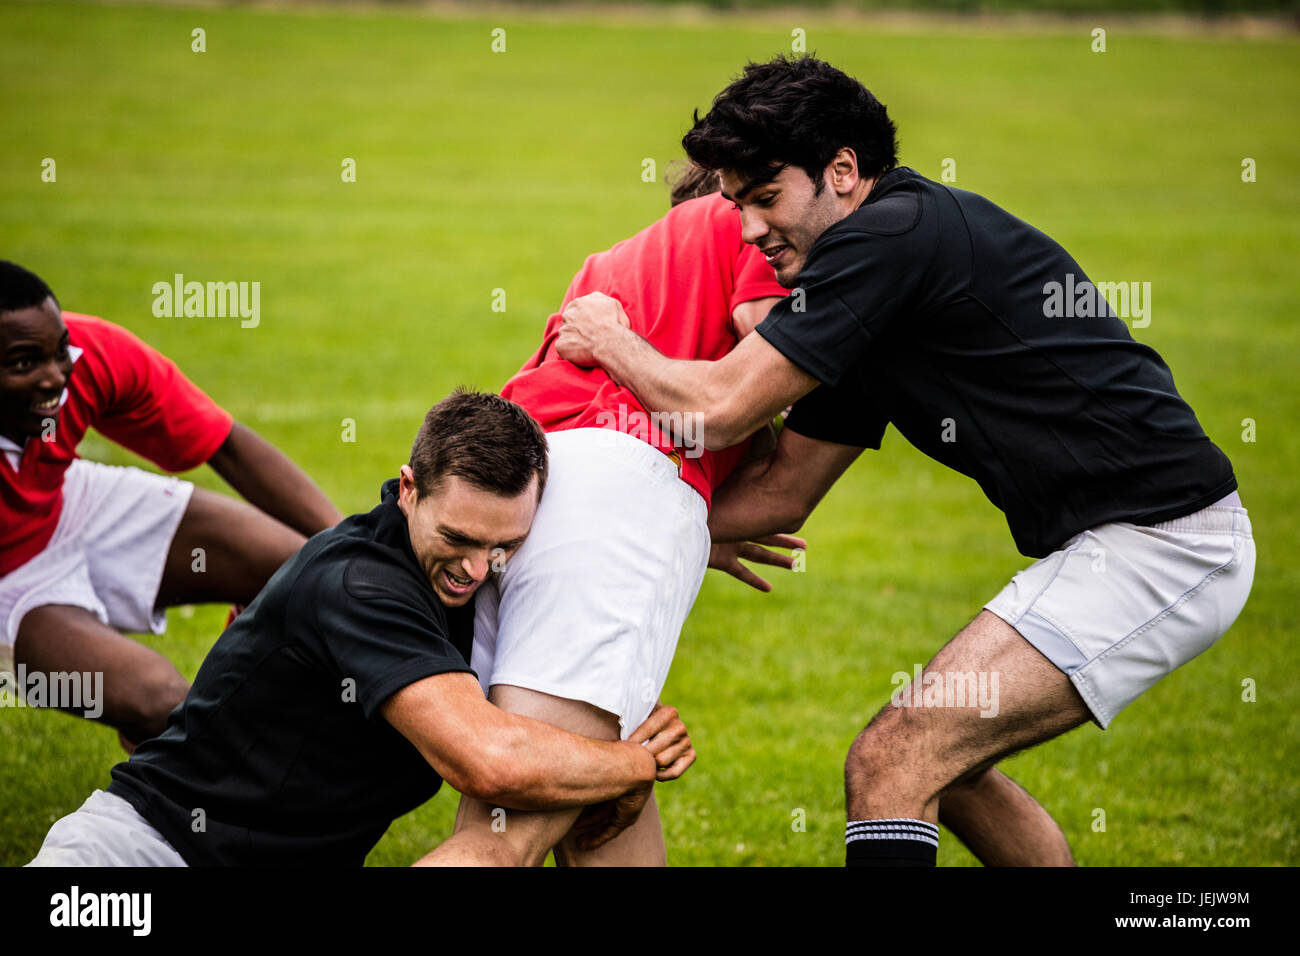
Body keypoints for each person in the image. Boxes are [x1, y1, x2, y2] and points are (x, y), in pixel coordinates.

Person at [555, 55, 1255, 867]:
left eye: (765, 198)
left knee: (893, 762)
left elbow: (720, 409)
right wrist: (656, 530)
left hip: (1166, 544)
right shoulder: (863, 294)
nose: (746, 229)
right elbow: (779, 495)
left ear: (844, 172)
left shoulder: (895, 234)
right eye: (738, 204)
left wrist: (610, 338)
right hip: (1125, 545)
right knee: (947, 768)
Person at [27, 390, 695, 866]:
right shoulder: (360, 586)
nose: (473, 568)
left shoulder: (462, 571)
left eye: (501, 547)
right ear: (408, 489)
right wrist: (636, 763)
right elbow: (491, 763)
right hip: (142, 856)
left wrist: (696, 540)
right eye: (457, 538)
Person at [421, 163, 801, 867]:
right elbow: (774, 343)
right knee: (504, 836)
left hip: (529, 494)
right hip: (620, 501)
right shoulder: (747, 225)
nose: (767, 234)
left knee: (596, 796)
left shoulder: (610, 266)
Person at [0, 261, 342, 750]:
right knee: (159, 703)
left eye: (59, 353)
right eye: (22, 363)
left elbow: (224, 443)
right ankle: (179, 790)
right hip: (10, 579)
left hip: (65, 498)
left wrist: (358, 551)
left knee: (310, 574)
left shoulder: (90, 352)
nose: (54, 377)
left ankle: (250, 735)